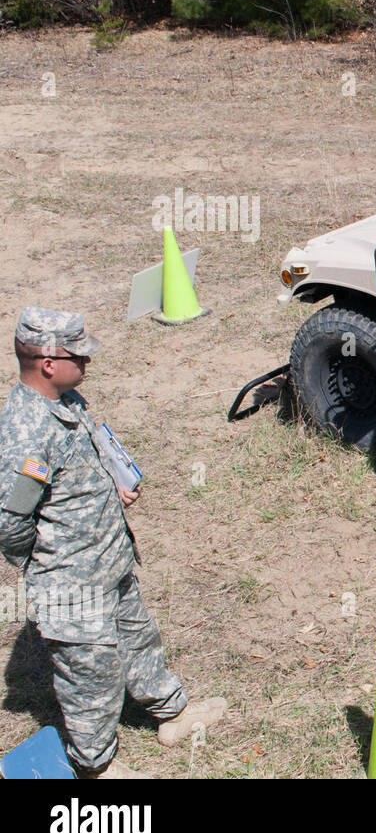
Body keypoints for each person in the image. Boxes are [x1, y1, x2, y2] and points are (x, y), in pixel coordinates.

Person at [0, 307, 225, 778]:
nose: (87, 362)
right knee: (91, 678)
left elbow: (75, 469)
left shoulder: (67, 401)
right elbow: (9, 521)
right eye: (78, 355)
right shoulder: (25, 431)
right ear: (47, 363)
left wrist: (112, 483)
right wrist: (44, 563)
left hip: (109, 561)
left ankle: (172, 713)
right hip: (71, 582)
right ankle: (96, 766)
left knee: (138, 639)